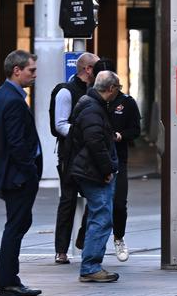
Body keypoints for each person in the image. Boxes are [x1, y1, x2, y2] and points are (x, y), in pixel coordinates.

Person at [0, 50, 43, 296]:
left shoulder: (1, 95)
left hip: (12, 174)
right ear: (16, 70)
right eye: (31, 70)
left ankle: (7, 278)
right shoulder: (12, 100)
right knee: (16, 226)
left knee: (18, 224)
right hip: (18, 176)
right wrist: (30, 170)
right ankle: (8, 280)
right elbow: (16, 143)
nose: (34, 75)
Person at [74, 60, 141, 262]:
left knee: (118, 203)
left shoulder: (126, 102)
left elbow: (135, 130)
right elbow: (90, 138)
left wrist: (121, 136)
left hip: (117, 159)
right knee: (97, 204)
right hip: (97, 161)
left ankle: (117, 237)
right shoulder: (91, 103)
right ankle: (88, 250)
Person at [67, 71, 122, 283]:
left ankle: (90, 264)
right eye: (118, 88)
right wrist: (107, 169)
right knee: (101, 217)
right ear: (111, 88)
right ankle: (90, 266)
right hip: (93, 172)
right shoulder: (93, 108)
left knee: (98, 216)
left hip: (89, 169)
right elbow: (95, 143)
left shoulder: (91, 104)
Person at [51, 52, 98, 264]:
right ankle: (61, 250)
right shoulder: (66, 92)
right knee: (68, 200)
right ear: (88, 69)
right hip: (70, 154)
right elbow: (60, 125)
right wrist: (85, 133)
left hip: (89, 152)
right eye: (96, 67)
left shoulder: (95, 91)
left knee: (97, 197)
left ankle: (82, 237)